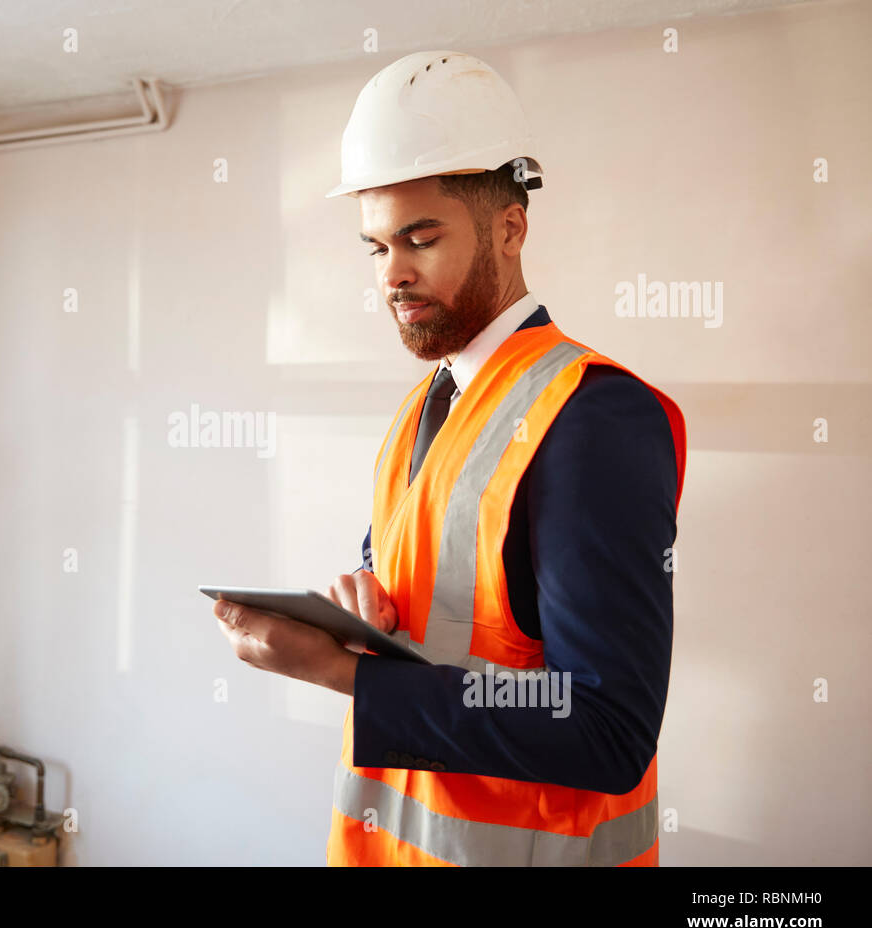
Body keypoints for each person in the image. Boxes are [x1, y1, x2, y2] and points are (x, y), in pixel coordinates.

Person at [212, 50, 687, 866]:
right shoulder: (423, 407)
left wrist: (345, 678)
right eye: (374, 247)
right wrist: (362, 612)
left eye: (420, 238)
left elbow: (610, 731)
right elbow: (434, 604)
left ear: (511, 226)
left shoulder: (592, 414)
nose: (392, 274)